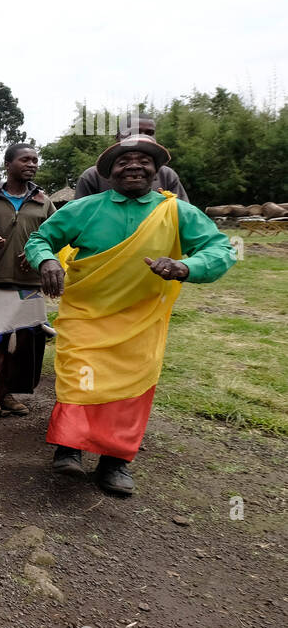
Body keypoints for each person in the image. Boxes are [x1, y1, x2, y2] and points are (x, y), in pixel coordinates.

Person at [25, 136, 234, 496]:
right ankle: (69, 447)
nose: (133, 166)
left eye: (142, 160)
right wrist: (45, 259)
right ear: (109, 173)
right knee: (79, 378)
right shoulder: (85, 208)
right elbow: (40, 239)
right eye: (123, 162)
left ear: (157, 171)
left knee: (129, 391)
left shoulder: (177, 211)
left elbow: (220, 249)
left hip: (142, 321)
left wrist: (186, 266)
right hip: (85, 315)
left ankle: (115, 462)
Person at [0, 143, 56, 425]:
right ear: (8, 164)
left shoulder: (44, 202)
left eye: (35, 160)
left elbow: (56, 235)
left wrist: (40, 255)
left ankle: (7, 395)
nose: (31, 164)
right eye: (25, 160)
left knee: (22, 348)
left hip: (30, 285)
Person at [74, 114, 188, 201]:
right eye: (134, 132)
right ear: (118, 137)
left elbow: (183, 217)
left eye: (149, 133)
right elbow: (78, 219)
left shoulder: (167, 175)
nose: (141, 136)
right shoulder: (92, 177)